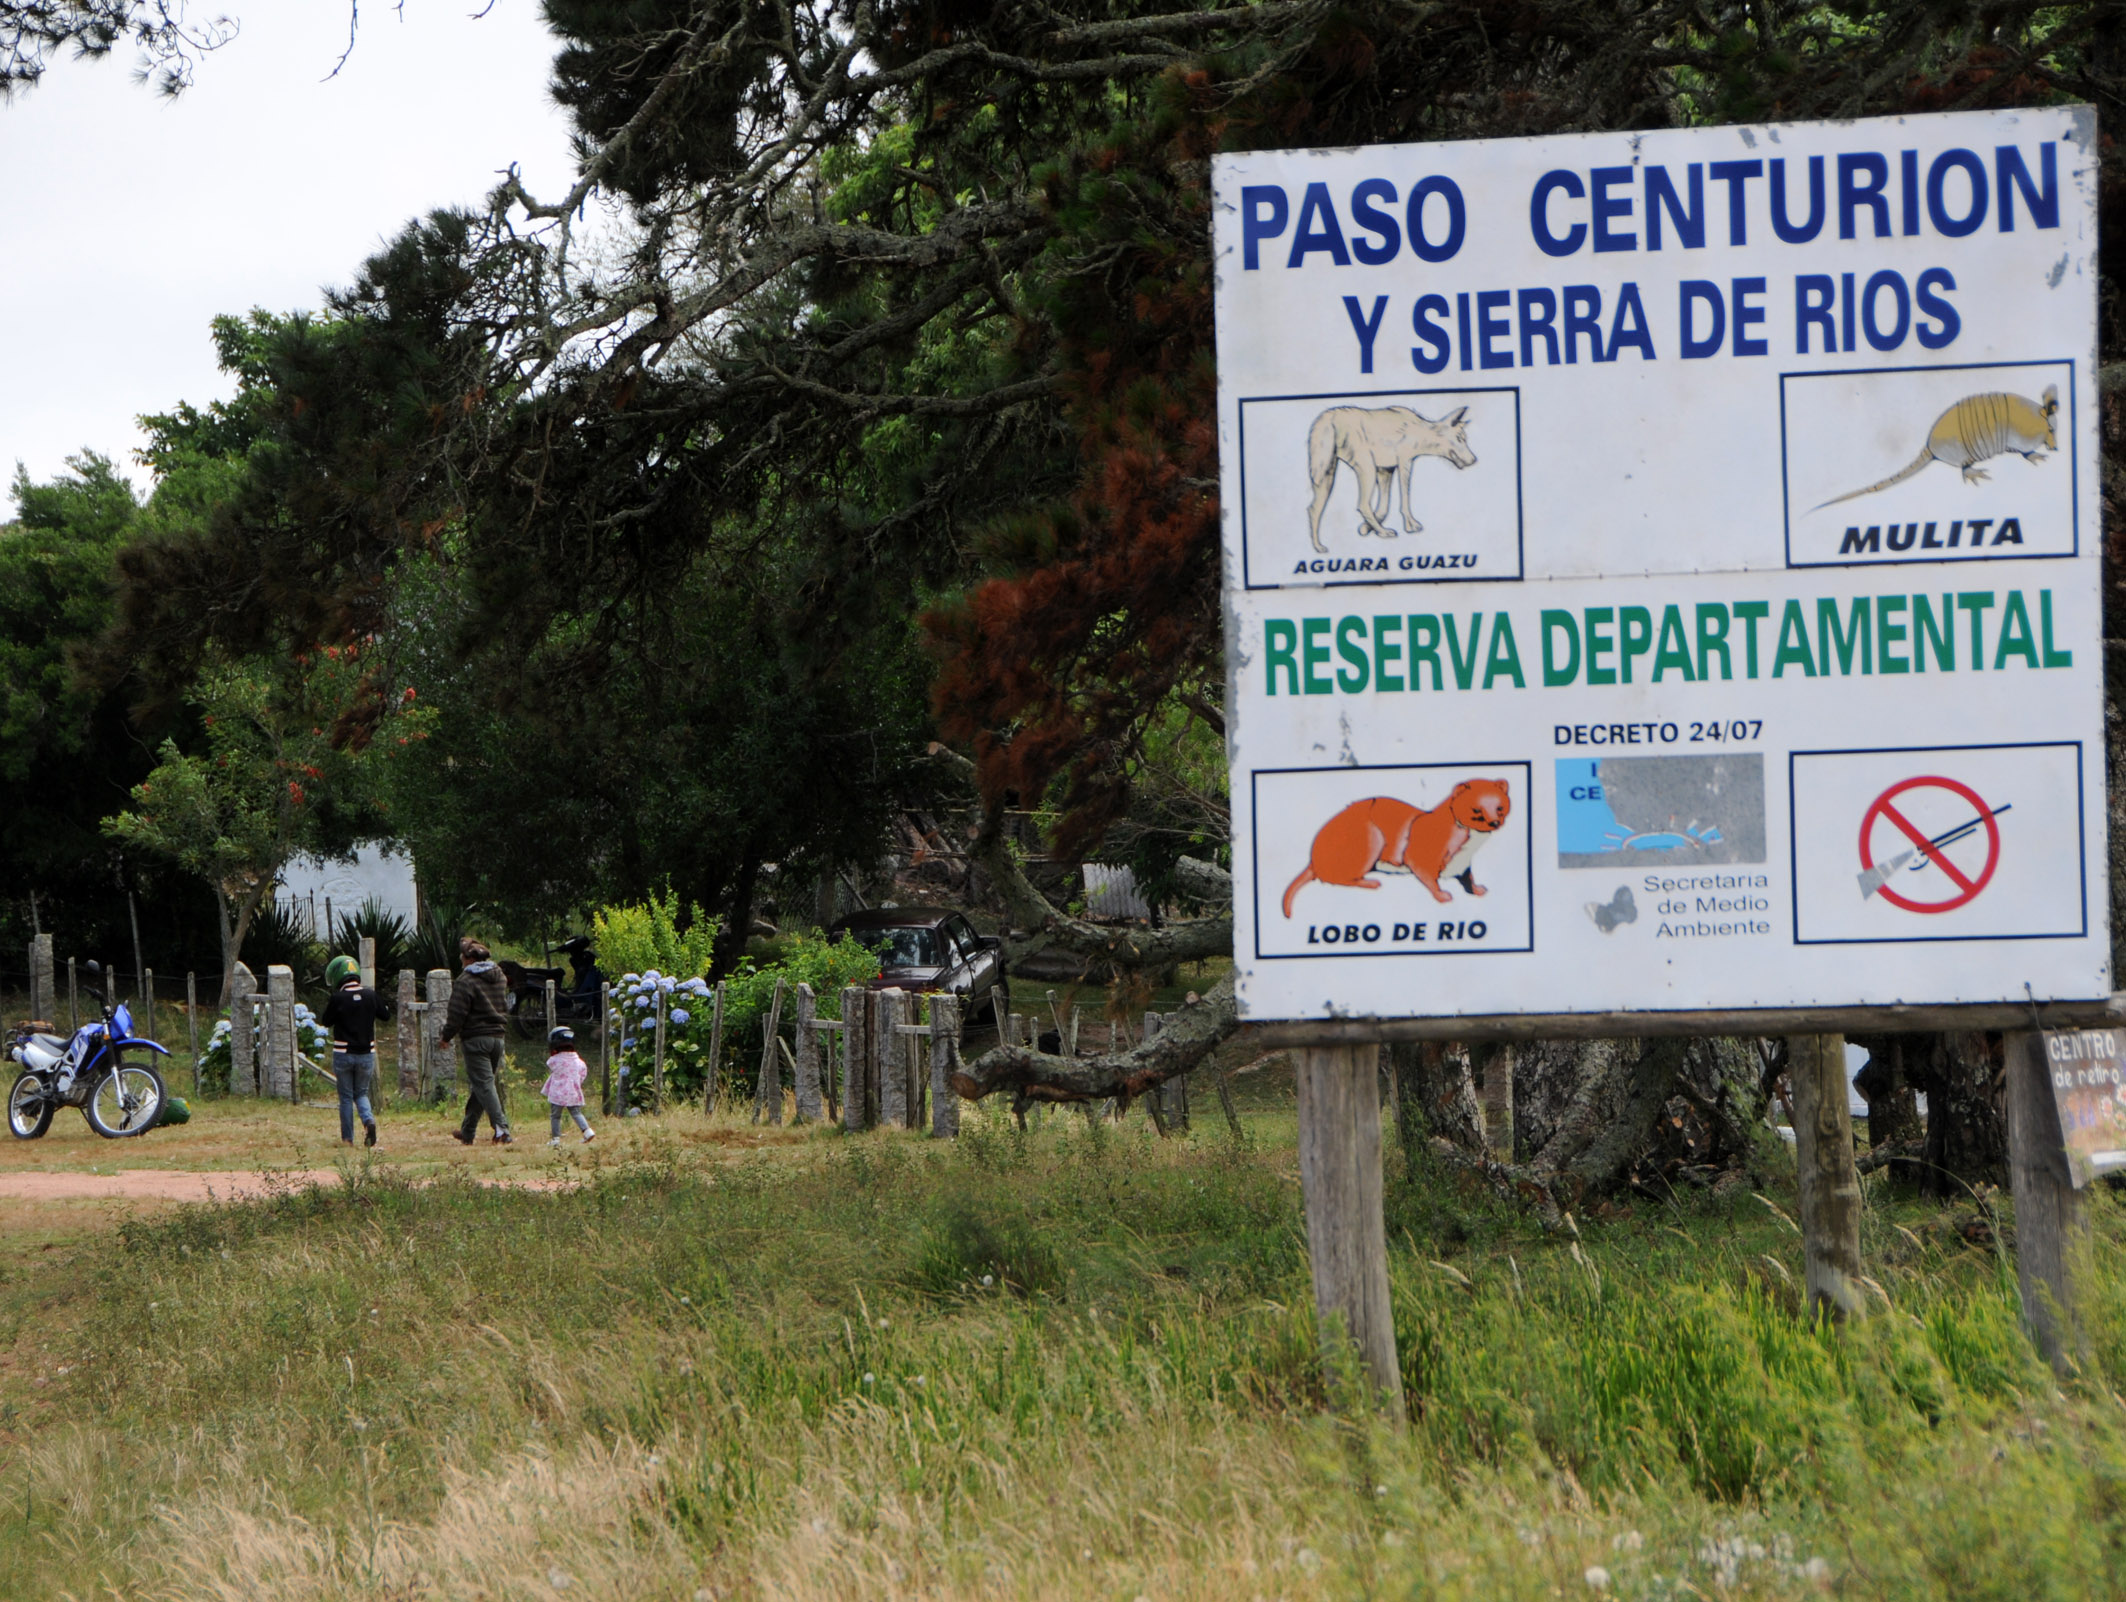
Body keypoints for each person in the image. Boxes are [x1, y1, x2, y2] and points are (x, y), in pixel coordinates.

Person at [441, 937, 513, 1145]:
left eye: (462, 958)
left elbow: (457, 1012)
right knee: (482, 1085)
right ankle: (468, 1131)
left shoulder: (466, 981)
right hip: (497, 1038)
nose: (461, 962)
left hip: (475, 1039)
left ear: (468, 959)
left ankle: (502, 1129)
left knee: (483, 1085)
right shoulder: (499, 975)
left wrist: (446, 1036)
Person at [319, 954, 386, 1147]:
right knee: (362, 1093)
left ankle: (348, 1139)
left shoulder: (338, 998)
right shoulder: (370, 995)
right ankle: (368, 1120)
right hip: (366, 1053)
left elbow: (326, 1021)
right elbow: (385, 1014)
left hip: (343, 1053)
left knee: (346, 1096)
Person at [540, 1026, 596, 1146]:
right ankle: (587, 1131)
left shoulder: (554, 1060)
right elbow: (583, 1073)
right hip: (573, 1092)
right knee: (576, 1112)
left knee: (555, 1116)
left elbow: (550, 1064)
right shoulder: (579, 1061)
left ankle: (555, 1139)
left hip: (558, 1093)